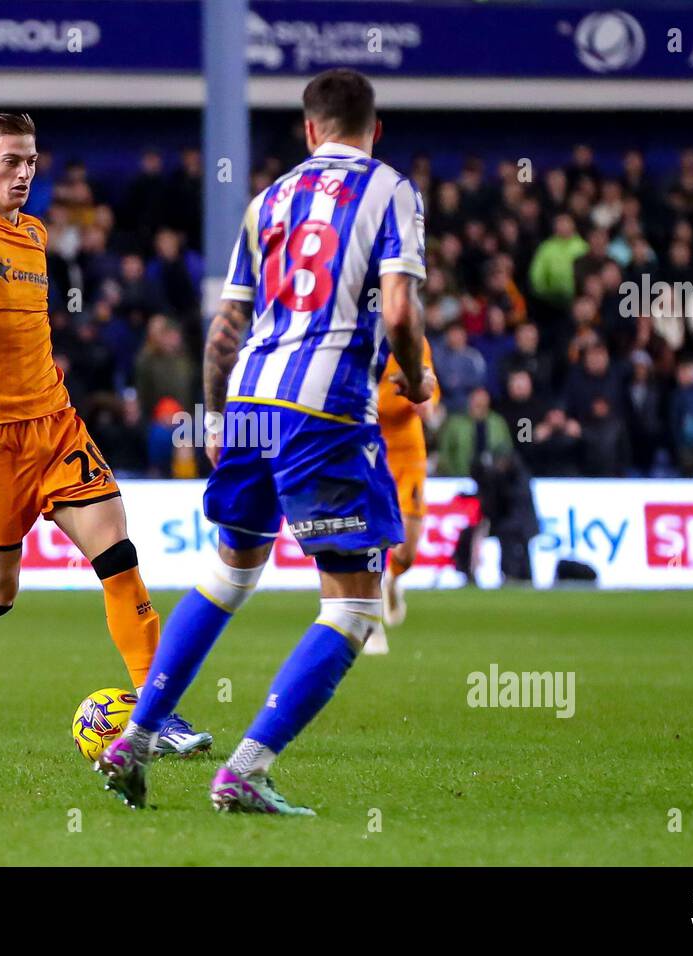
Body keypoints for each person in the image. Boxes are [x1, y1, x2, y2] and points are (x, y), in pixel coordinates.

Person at [97, 69, 435, 814]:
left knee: (228, 575)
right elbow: (403, 309)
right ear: (374, 130)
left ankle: (136, 739)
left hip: (250, 398)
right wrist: (412, 376)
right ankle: (246, 768)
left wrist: (219, 421)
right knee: (351, 606)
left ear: (309, 130)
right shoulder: (392, 191)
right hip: (326, 408)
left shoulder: (267, 200)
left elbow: (224, 330)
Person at [0, 113, 209, 757]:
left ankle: (158, 713)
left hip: (54, 425)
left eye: (31, 160)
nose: (24, 173)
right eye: (11, 161)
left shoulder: (34, 232)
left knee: (118, 555)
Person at [366, 342, 440, 655]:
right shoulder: (356, 334)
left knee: (407, 551)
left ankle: (393, 581)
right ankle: (370, 623)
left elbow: (429, 394)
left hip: (407, 449)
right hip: (368, 444)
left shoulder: (413, 340)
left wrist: (424, 401)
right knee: (368, 539)